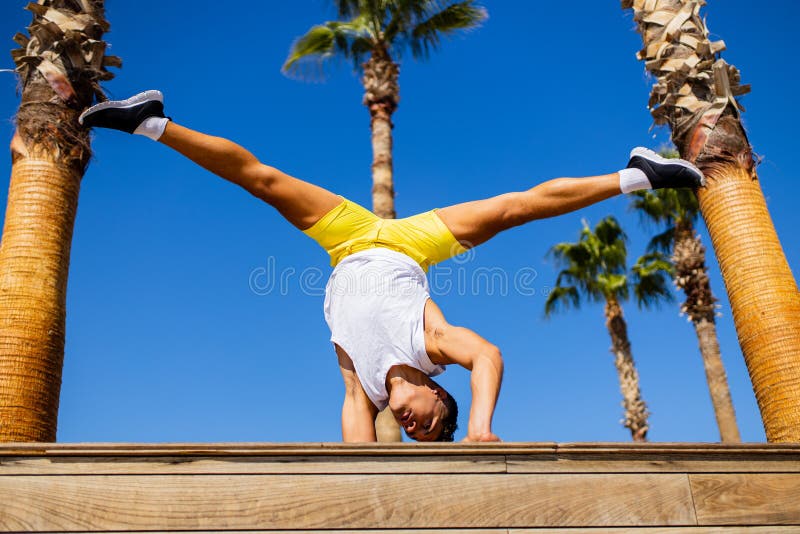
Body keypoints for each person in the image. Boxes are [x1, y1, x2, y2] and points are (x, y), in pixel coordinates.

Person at [79, 90, 705, 442]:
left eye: (412, 437)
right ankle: (635, 175)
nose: (413, 428)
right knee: (515, 208)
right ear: (439, 395)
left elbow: (358, 435)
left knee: (264, 184)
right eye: (431, 426)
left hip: (347, 242)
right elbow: (487, 355)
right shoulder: (432, 346)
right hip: (408, 243)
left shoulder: (365, 390)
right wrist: (481, 431)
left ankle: (149, 125)